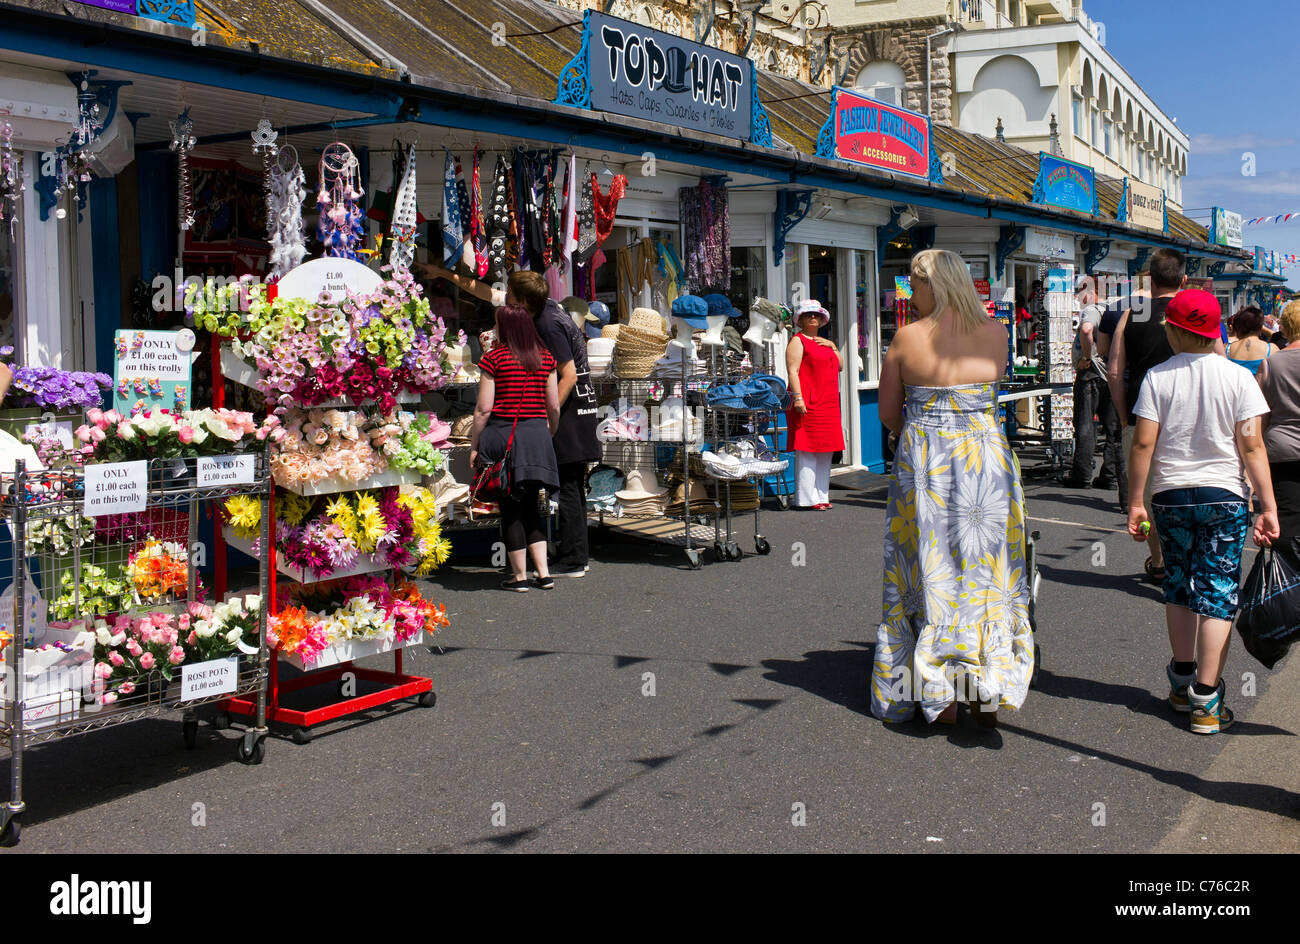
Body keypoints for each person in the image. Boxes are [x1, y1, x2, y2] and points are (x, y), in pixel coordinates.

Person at [873, 249, 1035, 728]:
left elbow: (887, 413)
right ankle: (985, 685)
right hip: (985, 461)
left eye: (915, 285)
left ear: (933, 286)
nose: (912, 294)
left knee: (927, 563)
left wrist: (924, 427)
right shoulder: (995, 334)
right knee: (984, 570)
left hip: (925, 465)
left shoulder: (906, 338)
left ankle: (935, 694)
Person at [1126, 289, 1279, 734]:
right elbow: (1251, 444)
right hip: (1225, 496)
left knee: (1178, 583)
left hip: (1170, 495)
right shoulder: (1238, 379)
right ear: (1215, 330)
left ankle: (1180, 678)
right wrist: (1266, 507)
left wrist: (1136, 501)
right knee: (1216, 592)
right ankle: (1206, 701)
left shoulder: (1157, 377)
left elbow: (1142, 443)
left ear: (1172, 330)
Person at [506, 271, 601, 578]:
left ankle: (574, 560)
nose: (505, 297)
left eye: (509, 294)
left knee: (570, 484)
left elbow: (568, 374)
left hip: (570, 413)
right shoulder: (549, 308)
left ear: (522, 301)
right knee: (572, 483)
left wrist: (548, 416)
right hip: (578, 409)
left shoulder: (547, 323)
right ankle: (575, 552)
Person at [470, 304, 561, 592]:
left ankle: (520, 576)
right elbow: (554, 405)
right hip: (537, 436)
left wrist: (474, 446)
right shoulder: (546, 358)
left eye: (497, 324)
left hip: (504, 434)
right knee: (535, 504)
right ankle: (544, 574)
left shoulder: (494, 358)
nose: (495, 329)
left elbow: (484, 409)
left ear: (506, 328)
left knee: (511, 507)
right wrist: (548, 432)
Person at [1108, 249, 1185, 584]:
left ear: (1150, 280)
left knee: (1150, 494)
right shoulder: (1190, 310)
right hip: (1187, 414)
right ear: (1183, 279)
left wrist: (1124, 415)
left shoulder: (1134, 312)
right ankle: (1185, 557)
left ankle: (1159, 559)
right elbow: (1219, 360)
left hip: (1143, 412)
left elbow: (1114, 370)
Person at [785, 298, 843, 509]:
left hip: (828, 401)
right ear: (800, 319)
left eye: (816, 315)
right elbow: (792, 370)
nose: (812, 317)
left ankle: (821, 495)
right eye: (808, 314)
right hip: (809, 400)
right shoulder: (797, 341)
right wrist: (798, 397)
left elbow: (841, 366)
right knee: (807, 449)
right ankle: (806, 498)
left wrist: (834, 346)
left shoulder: (824, 342)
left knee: (826, 450)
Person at [1259, 299, 1300, 571]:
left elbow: (1260, 414)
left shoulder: (1272, 363)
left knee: (1287, 525)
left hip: (1282, 450)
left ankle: (1288, 590)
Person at [1062, 282, 1112, 488]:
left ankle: (1081, 474)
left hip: (1091, 374)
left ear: (1090, 293)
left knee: (1084, 424)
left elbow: (1086, 329)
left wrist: (1086, 356)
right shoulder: (1109, 310)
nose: (1077, 298)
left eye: (1079, 293)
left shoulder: (1090, 310)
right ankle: (1110, 476)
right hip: (1109, 375)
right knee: (1112, 429)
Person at [1226, 306, 1275, 379]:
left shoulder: (1226, 349)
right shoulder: (1271, 349)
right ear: (1260, 326)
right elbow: (1278, 337)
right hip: (1261, 390)